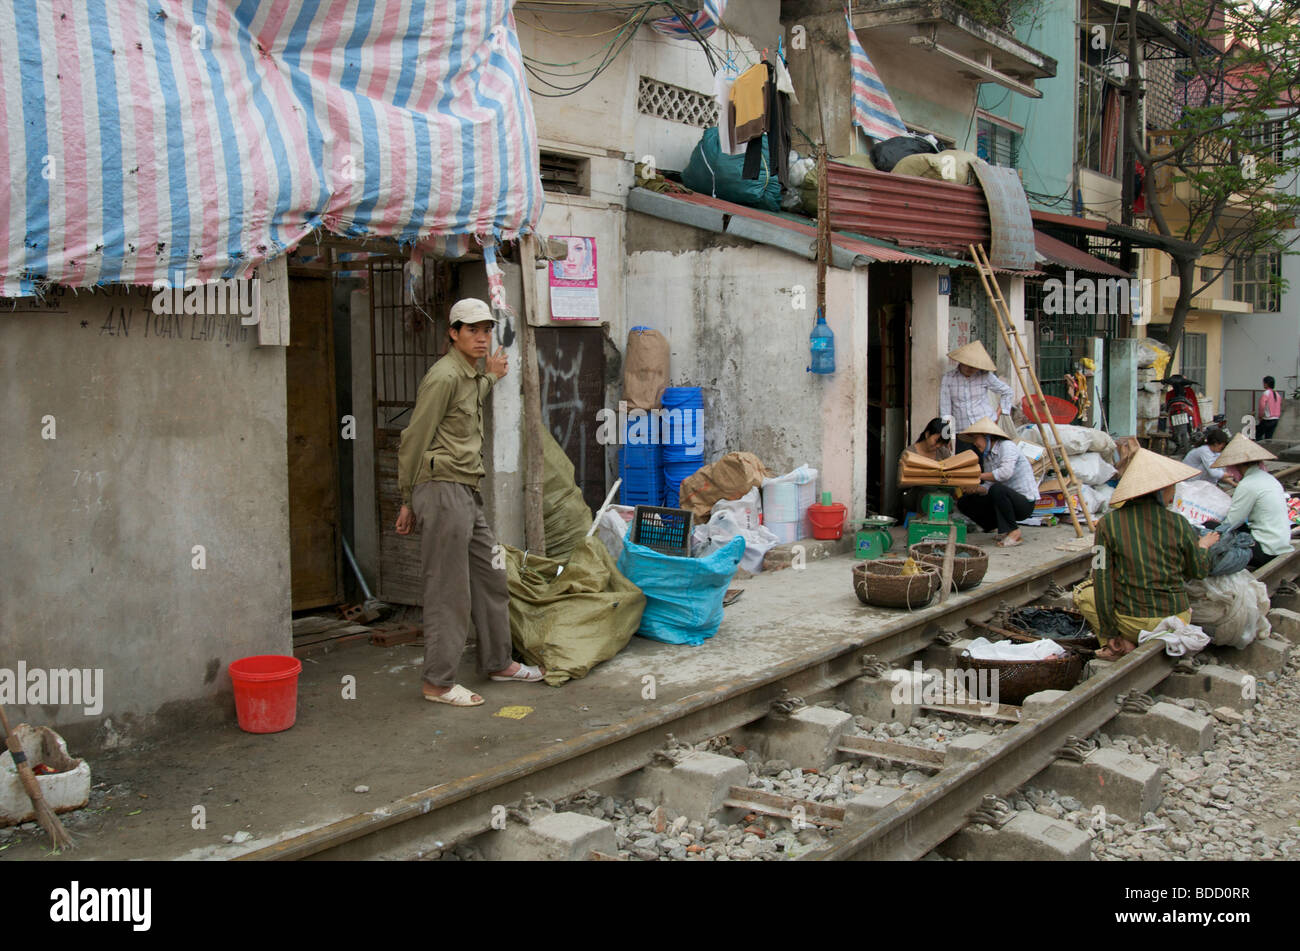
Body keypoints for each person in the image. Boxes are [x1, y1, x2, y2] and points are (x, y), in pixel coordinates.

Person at [395, 298, 543, 706]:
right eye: (472, 330)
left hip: (465, 491)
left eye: (486, 330)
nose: (481, 338)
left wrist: (491, 378)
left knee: (491, 575)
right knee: (448, 590)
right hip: (441, 490)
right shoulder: (442, 377)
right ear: (453, 333)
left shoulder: (468, 375)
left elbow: (469, 396)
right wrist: (407, 499)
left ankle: (499, 662)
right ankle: (438, 683)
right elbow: (413, 439)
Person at [1073, 449, 1217, 660]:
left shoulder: (1107, 524)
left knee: (1084, 594)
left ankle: (1115, 646)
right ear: (1160, 491)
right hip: (1176, 620)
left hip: (1133, 623)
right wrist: (1203, 547)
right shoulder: (1179, 523)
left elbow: (1101, 577)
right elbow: (1198, 571)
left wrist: (1109, 631)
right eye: (1171, 487)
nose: (1173, 492)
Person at [1214, 433, 1295, 568]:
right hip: (1280, 543)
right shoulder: (1269, 478)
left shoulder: (1248, 484)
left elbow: (1231, 522)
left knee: (1211, 528)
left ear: (1237, 465)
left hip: (1266, 550)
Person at [954, 417, 1038, 547]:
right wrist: (974, 488)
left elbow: (1005, 473)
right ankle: (998, 528)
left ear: (987, 437)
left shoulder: (1007, 447)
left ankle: (1014, 532)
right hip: (1005, 500)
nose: (975, 443)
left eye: (976, 438)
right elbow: (988, 486)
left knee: (997, 489)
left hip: (1024, 503)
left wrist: (977, 476)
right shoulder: (987, 456)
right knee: (965, 501)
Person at [938, 341, 1014, 459]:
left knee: (988, 461)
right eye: (968, 365)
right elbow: (945, 410)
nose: (971, 369)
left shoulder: (985, 376)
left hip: (986, 428)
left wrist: (998, 414)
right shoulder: (948, 378)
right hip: (962, 431)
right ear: (961, 362)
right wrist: (946, 435)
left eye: (974, 367)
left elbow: (1007, 391)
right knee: (964, 463)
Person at [898, 417, 952, 515]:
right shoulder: (909, 453)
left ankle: (943, 519)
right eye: (936, 441)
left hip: (938, 494)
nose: (938, 445)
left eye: (942, 443)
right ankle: (923, 520)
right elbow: (900, 482)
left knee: (949, 489)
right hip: (912, 495)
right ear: (927, 434)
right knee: (928, 487)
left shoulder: (943, 452)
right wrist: (924, 478)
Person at [1258, 376, 1282, 441]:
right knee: (1268, 438)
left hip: (1267, 419)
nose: (1263, 384)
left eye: (1264, 383)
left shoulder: (1266, 393)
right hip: (1275, 419)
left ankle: (1259, 449)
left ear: (1266, 384)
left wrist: (1260, 416)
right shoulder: (1277, 394)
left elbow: (1262, 406)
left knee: (1257, 435)